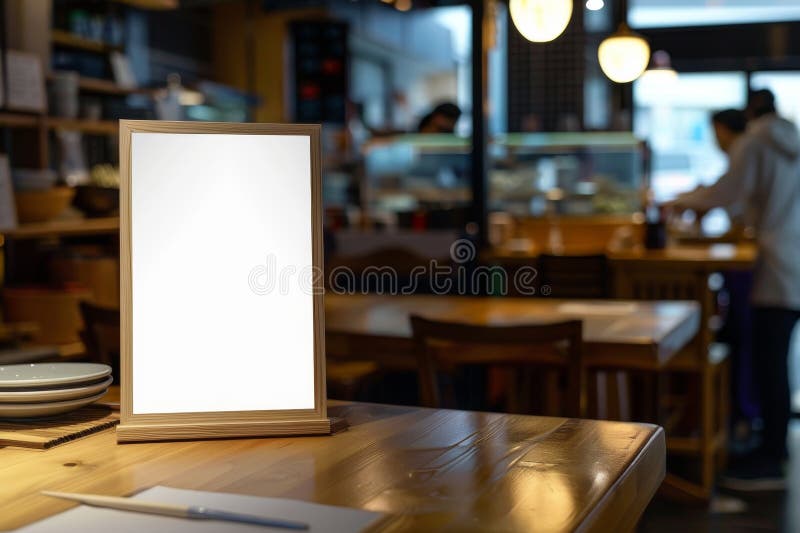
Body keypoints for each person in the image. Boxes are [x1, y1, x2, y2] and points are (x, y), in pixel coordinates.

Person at [668, 89, 800, 490]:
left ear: (749, 113)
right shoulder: (790, 137)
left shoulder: (756, 140)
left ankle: (770, 460)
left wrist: (679, 200)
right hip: (792, 258)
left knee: (769, 360)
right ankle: (772, 448)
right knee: (775, 357)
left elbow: (728, 192)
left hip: (777, 263)